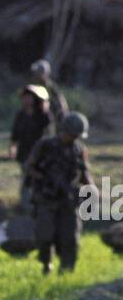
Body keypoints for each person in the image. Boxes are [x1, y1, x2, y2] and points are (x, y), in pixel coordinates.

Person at [24, 111, 93, 274]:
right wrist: (43, 178)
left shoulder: (79, 149)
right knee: (45, 235)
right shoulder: (45, 145)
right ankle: (46, 263)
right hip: (46, 198)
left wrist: (91, 189)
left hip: (68, 200)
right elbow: (29, 166)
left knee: (70, 237)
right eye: (71, 134)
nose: (74, 138)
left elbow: (84, 173)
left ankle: (67, 270)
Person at [9, 85, 52, 208]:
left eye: (29, 97)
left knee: (38, 178)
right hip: (24, 152)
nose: (26, 100)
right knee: (27, 177)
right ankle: (26, 204)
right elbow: (15, 133)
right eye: (25, 98)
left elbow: (49, 135)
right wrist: (12, 146)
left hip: (40, 154)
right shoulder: (21, 115)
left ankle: (38, 203)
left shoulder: (44, 116)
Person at [29, 59, 68, 130]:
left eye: (38, 73)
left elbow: (61, 107)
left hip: (50, 121)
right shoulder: (35, 86)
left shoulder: (51, 88)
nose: (36, 76)